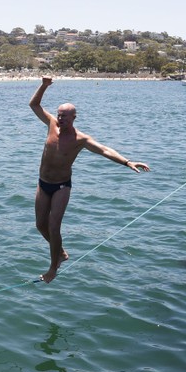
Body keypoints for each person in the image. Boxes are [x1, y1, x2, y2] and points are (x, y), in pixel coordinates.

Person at [30, 77, 151, 283]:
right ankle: (61, 253)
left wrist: (127, 162)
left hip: (61, 186)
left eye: (65, 117)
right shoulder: (51, 125)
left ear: (74, 118)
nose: (60, 119)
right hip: (43, 183)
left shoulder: (81, 140)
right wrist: (44, 86)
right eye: (59, 115)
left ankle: (53, 268)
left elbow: (104, 150)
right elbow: (34, 105)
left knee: (53, 226)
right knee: (40, 225)